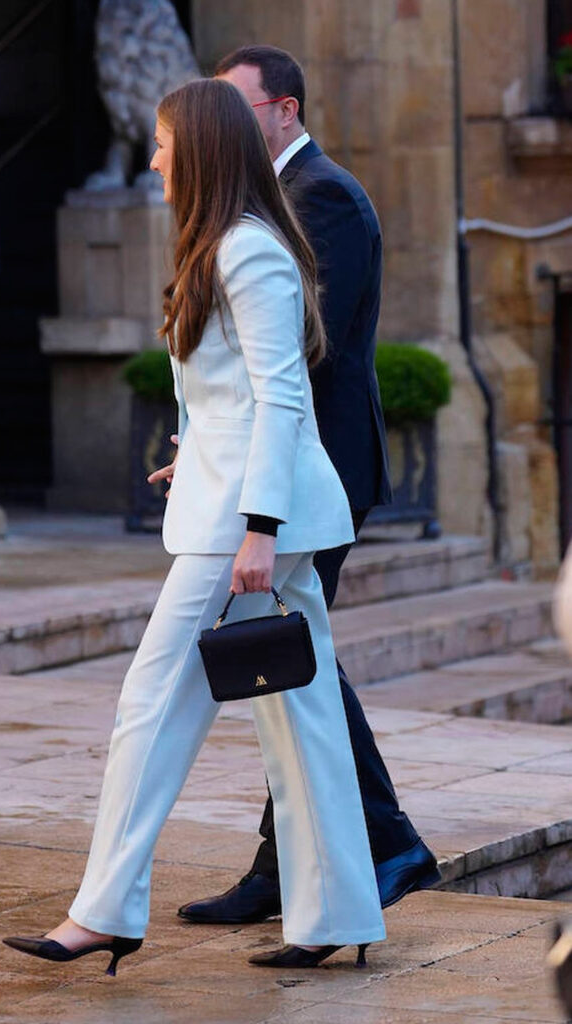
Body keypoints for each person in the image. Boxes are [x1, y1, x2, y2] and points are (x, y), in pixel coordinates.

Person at [2, 78, 385, 974]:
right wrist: (200, 451)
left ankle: (103, 910)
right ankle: (337, 914)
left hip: (245, 528)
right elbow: (240, 401)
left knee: (150, 706)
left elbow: (284, 396)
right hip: (248, 510)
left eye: (165, 143)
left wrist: (257, 527)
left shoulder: (247, 251)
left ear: (205, 150)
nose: (154, 158)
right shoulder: (230, 244)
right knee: (304, 716)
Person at [178, 45, 439, 927]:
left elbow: (293, 356)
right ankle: (295, 864)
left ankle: (374, 844)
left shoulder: (316, 194)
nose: (217, 127)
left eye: (234, 106)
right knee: (289, 659)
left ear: (282, 110)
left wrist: (251, 474)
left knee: (291, 657)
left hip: (312, 472)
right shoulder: (276, 197)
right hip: (284, 468)